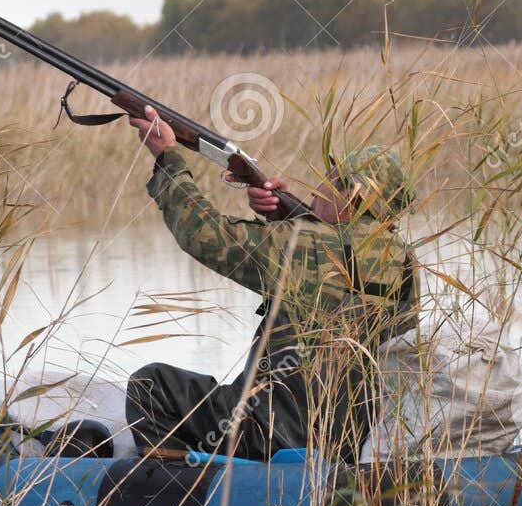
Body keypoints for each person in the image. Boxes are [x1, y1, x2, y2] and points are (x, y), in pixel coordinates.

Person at [124, 105, 417, 461]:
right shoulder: (403, 264)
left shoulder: (303, 244)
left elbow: (202, 233)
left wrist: (166, 157)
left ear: (352, 194)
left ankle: (176, 498)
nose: (319, 189)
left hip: (267, 434)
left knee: (151, 386)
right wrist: (278, 218)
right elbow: (338, 273)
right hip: (349, 441)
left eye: (330, 179)